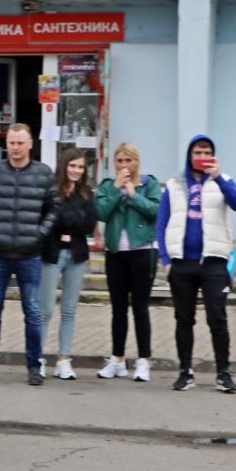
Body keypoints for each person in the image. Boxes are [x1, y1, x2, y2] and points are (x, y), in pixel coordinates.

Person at [156, 135, 236, 393]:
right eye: (197, 151)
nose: (202, 156)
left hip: (213, 263)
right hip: (182, 264)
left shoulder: (224, 181)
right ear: (189, 155)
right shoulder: (174, 185)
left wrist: (218, 178)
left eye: (207, 151)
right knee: (183, 320)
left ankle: (223, 373)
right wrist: (165, 260)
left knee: (217, 319)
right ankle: (185, 372)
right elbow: (161, 223)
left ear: (213, 156)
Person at [0, 123, 58, 386]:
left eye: (21, 142)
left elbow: (53, 209)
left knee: (32, 311)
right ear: (6, 143)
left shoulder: (43, 173)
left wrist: (39, 234)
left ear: (30, 144)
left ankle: (34, 367)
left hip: (30, 255)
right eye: (11, 142)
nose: (16, 147)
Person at [95, 142, 162, 382]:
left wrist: (133, 194)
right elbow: (101, 213)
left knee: (140, 308)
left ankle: (143, 360)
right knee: (118, 308)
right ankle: (117, 359)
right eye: (120, 161)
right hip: (116, 252)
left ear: (136, 162)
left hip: (142, 251)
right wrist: (116, 190)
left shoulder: (149, 184)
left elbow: (156, 210)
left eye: (128, 161)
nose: (124, 166)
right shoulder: (106, 186)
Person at [39, 149, 97, 380]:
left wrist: (67, 222)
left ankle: (64, 359)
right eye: (72, 166)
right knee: (45, 310)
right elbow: (52, 221)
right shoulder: (51, 191)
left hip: (76, 256)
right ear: (64, 166)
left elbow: (88, 223)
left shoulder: (86, 193)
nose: (76, 171)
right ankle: (38, 358)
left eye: (80, 167)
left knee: (69, 310)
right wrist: (72, 220)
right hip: (52, 254)